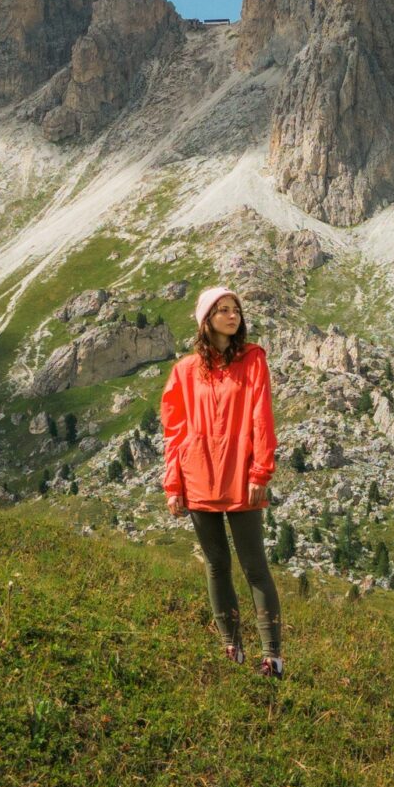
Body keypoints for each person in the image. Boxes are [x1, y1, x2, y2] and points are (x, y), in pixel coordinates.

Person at [160, 284, 284, 678]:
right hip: (198, 478)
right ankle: (232, 648)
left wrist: (260, 471)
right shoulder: (184, 371)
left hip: (241, 478)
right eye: (223, 310)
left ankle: (272, 657)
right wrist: (173, 485)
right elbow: (174, 431)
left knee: (254, 566)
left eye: (236, 309)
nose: (233, 316)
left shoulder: (253, 359)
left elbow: (261, 417)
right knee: (216, 565)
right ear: (206, 319)